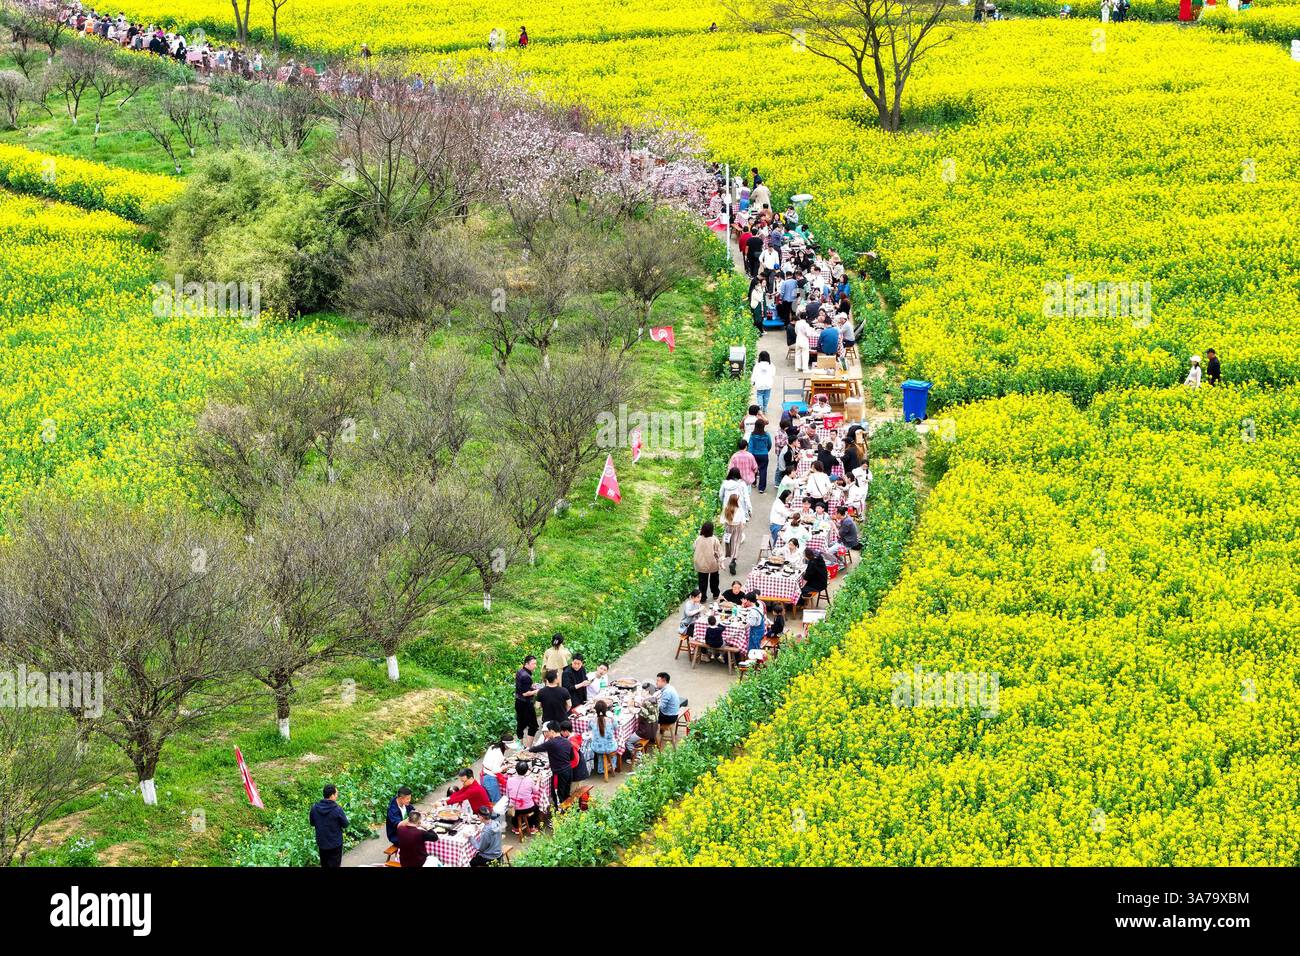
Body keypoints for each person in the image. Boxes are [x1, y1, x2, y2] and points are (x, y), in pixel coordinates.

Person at [529, 723, 574, 806]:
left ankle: (560, 814)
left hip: (559, 773)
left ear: (552, 731)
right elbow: (572, 757)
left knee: (558, 795)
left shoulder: (551, 743)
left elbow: (536, 748)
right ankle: (568, 810)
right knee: (566, 793)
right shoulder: (567, 741)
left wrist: (528, 749)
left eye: (548, 732)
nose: (546, 734)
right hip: (569, 770)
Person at [309, 784, 349, 868]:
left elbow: (312, 823)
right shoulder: (337, 809)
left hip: (322, 844)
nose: (337, 796)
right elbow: (345, 824)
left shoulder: (314, 808)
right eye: (336, 794)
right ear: (332, 795)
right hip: (335, 844)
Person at [506, 761, 541, 835]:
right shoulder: (529, 780)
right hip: (527, 808)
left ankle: (516, 827)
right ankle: (532, 827)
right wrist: (538, 781)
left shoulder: (509, 780)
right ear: (527, 771)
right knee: (536, 807)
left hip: (513, 808)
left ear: (516, 770)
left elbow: (507, 795)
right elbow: (536, 791)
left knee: (515, 807)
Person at [694, 520, 724, 600]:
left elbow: (694, 548)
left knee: (702, 581)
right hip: (712, 563)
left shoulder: (698, 539)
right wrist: (721, 562)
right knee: (714, 579)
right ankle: (715, 593)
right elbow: (719, 552)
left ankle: (702, 597)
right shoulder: (714, 539)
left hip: (700, 563)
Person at [588, 699, 621, 772]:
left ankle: (601, 769)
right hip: (610, 747)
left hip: (596, 747)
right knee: (617, 741)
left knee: (600, 745)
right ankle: (612, 767)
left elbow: (589, 728)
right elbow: (616, 728)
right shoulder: (611, 720)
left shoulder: (592, 720)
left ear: (595, 710)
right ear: (606, 709)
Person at [514, 654, 540, 744]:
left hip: (518, 702)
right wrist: (536, 691)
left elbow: (521, 687)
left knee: (520, 724)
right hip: (526, 704)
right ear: (527, 664)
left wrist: (531, 686)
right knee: (533, 726)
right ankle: (529, 748)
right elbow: (525, 693)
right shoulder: (526, 676)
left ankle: (520, 746)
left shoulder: (520, 671)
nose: (535, 666)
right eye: (533, 664)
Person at [481, 737, 512, 803]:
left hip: (483, 773)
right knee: (497, 801)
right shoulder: (500, 755)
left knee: (488, 799)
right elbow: (495, 770)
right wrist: (507, 766)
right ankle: (497, 813)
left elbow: (492, 758)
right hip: (490, 778)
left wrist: (504, 759)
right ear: (505, 745)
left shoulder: (493, 746)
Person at [722, 492, 746, 575]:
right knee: (736, 544)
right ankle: (733, 560)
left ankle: (729, 556)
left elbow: (722, 520)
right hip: (737, 528)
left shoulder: (726, 508)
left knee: (728, 543)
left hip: (728, 527)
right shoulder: (739, 509)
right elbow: (743, 520)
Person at [655, 673, 681, 738]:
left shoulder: (667, 691)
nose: (656, 682)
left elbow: (661, 706)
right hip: (673, 713)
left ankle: (651, 737)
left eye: (658, 680)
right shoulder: (670, 687)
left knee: (648, 717)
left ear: (664, 681)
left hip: (670, 717)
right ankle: (658, 732)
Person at [749, 421, 773, 494]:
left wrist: (750, 455)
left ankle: (753, 482)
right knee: (763, 471)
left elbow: (750, 446)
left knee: (753, 469)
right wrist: (766, 450)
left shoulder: (752, 435)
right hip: (764, 454)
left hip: (754, 455)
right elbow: (770, 444)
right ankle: (761, 488)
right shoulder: (766, 435)